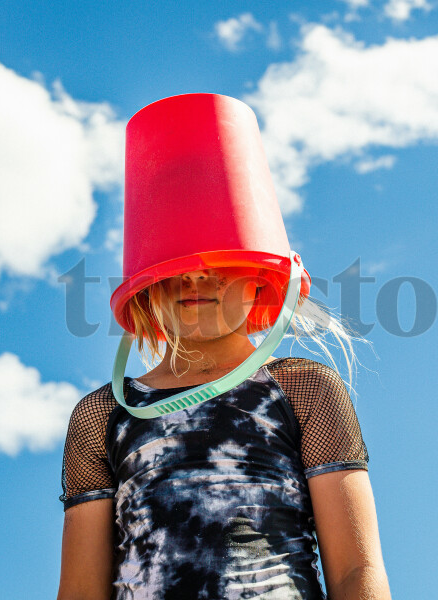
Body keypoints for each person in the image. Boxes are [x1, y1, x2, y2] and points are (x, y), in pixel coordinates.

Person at [55, 93, 392, 600]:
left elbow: (355, 571)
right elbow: (80, 590)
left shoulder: (303, 389)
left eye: (221, 258)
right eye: (175, 262)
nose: (197, 275)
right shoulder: (101, 415)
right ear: (148, 284)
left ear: (260, 279)